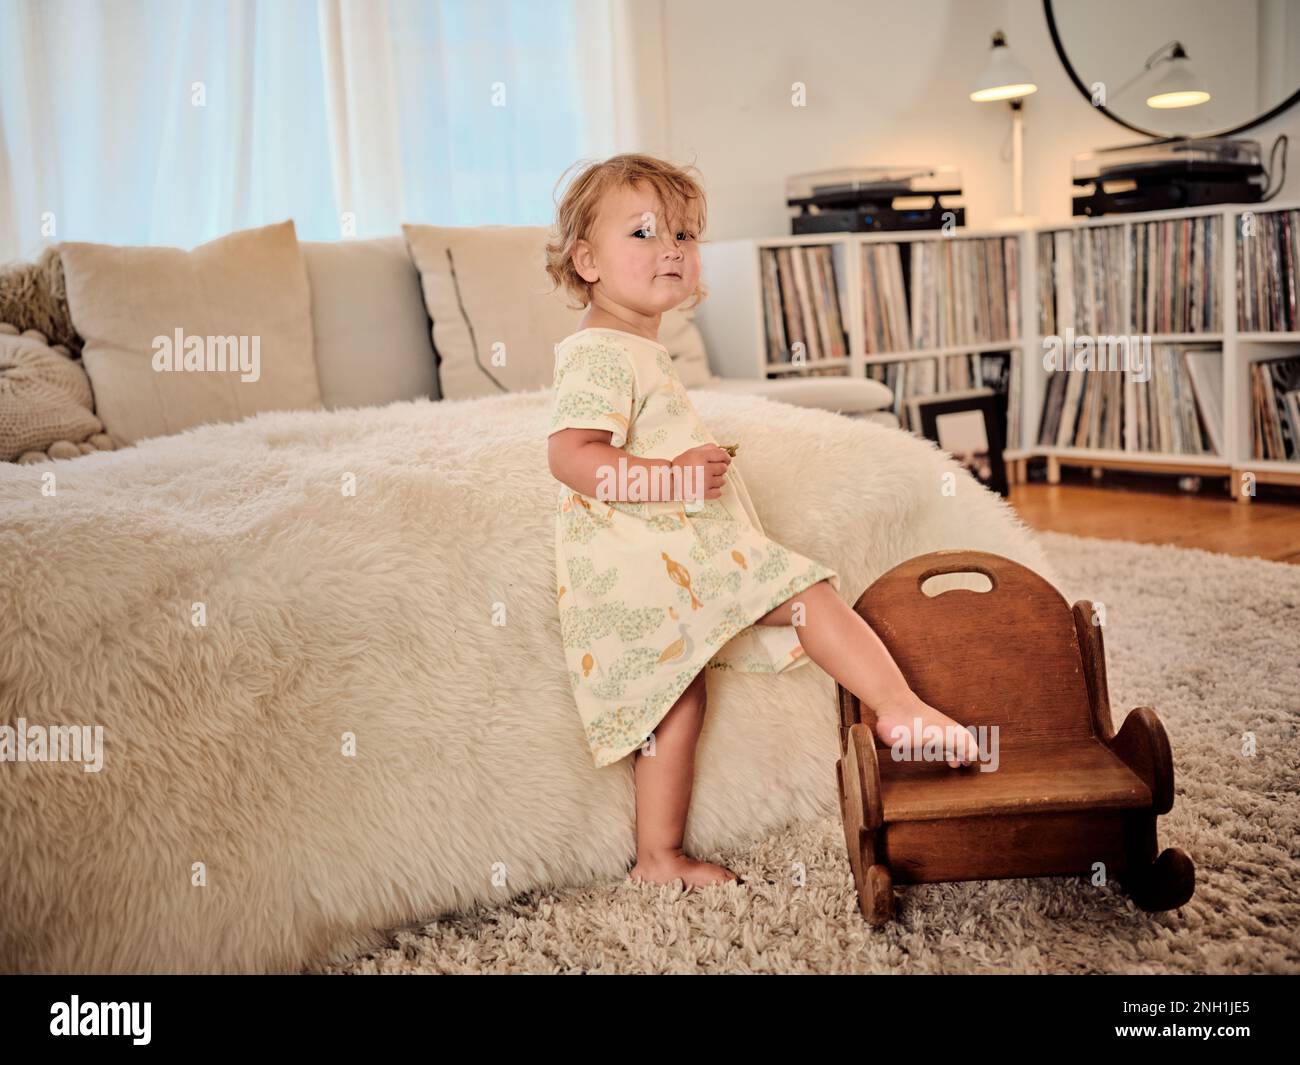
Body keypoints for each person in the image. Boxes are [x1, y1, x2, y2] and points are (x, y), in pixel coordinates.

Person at [545, 153, 977, 890]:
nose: (672, 248)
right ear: (585, 259)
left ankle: (658, 857)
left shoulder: (635, 346)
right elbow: (570, 455)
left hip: (662, 556)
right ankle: (896, 704)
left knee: (676, 702)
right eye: (644, 232)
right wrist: (673, 476)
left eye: (684, 233)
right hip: (638, 560)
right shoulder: (598, 355)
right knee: (806, 596)